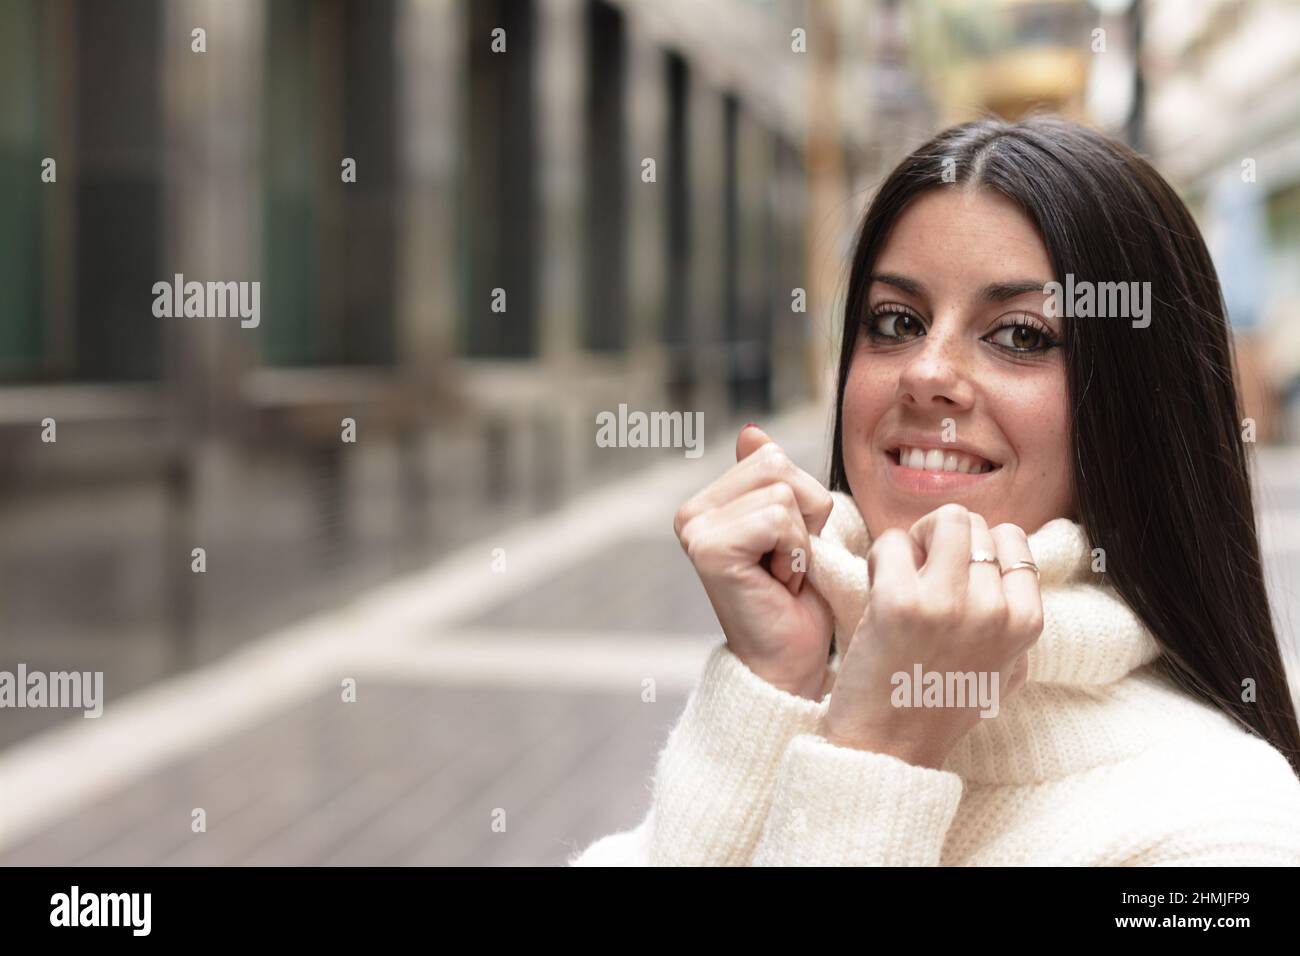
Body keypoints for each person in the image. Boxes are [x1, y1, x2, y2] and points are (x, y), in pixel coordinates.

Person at [567, 116, 1300, 866]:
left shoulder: (1228, 830)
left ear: (1141, 409)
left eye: (1020, 335)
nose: (924, 372)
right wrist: (769, 688)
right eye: (896, 321)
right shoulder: (792, 698)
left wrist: (884, 746)